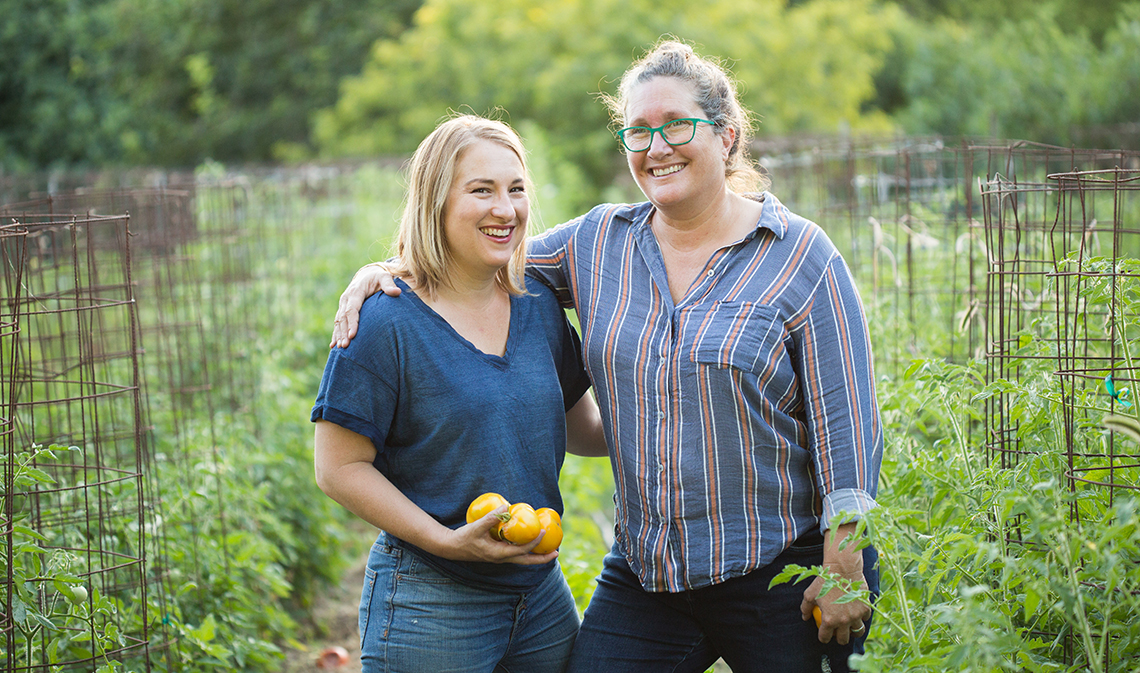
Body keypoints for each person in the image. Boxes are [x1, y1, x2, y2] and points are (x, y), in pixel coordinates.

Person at [330, 40, 882, 673]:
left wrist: (843, 564)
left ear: (727, 136)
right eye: (638, 131)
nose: (657, 146)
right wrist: (384, 270)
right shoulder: (595, 245)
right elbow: (477, 255)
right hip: (650, 576)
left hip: (780, 566)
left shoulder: (801, 256)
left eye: (676, 125)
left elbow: (848, 427)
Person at [311, 114, 607, 673]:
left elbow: (580, 428)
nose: (506, 209)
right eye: (482, 190)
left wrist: (674, 413)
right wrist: (445, 541)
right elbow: (338, 468)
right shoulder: (385, 321)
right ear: (436, 202)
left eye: (516, 189)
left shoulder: (538, 304)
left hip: (540, 597)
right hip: (432, 600)